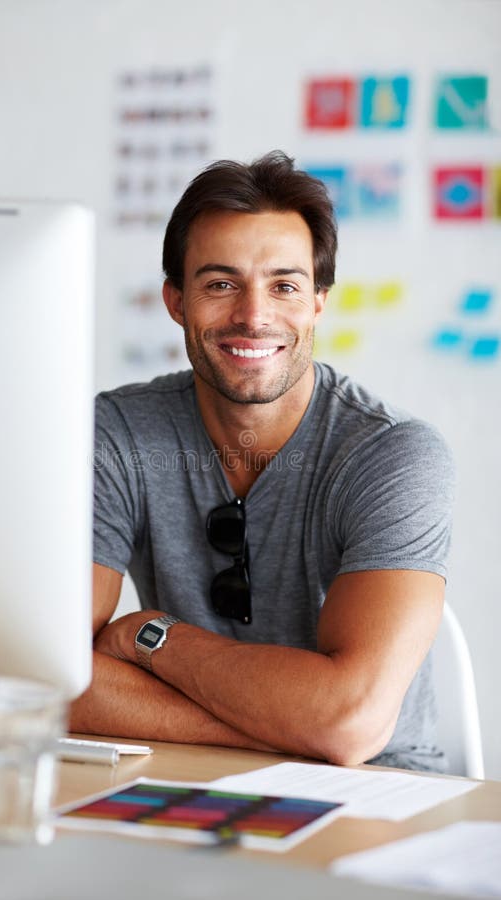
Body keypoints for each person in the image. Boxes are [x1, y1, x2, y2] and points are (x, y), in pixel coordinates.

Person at [71, 150, 454, 771]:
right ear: (175, 301)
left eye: (284, 286)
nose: (254, 315)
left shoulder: (393, 453)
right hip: (183, 772)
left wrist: (154, 638)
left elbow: (351, 724)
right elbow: (55, 678)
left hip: (379, 789)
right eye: (221, 284)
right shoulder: (116, 433)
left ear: (319, 302)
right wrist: (294, 730)